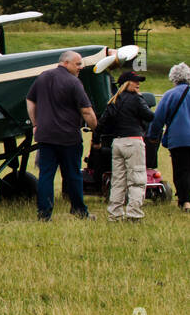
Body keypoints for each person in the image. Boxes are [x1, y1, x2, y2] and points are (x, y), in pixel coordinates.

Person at [26, 50, 98, 221]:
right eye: (77, 64)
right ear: (65, 63)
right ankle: (79, 210)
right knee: (73, 175)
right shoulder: (73, 82)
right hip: (68, 138)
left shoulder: (43, 77)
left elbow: (30, 100)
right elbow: (87, 110)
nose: (80, 67)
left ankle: (44, 214)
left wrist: (35, 124)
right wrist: (96, 129)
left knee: (46, 175)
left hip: (45, 137)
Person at [99, 70, 155, 221]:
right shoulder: (136, 99)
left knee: (118, 181)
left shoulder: (113, 101)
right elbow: (150, 116)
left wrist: (97, 140)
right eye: (135, 81)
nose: (138, 84)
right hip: (133, 141)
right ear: (126, 83)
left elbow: (102, 124)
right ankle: (133, 214)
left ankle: (115, 214)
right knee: (136, 180)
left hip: (117, 143)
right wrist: (141, 98)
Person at [148, 62, 190, 212]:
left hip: (178, 139)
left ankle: (185, 201)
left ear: (173, 78)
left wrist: (153, 136)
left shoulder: (169, 95)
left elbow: (158, 118)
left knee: (181, 170)